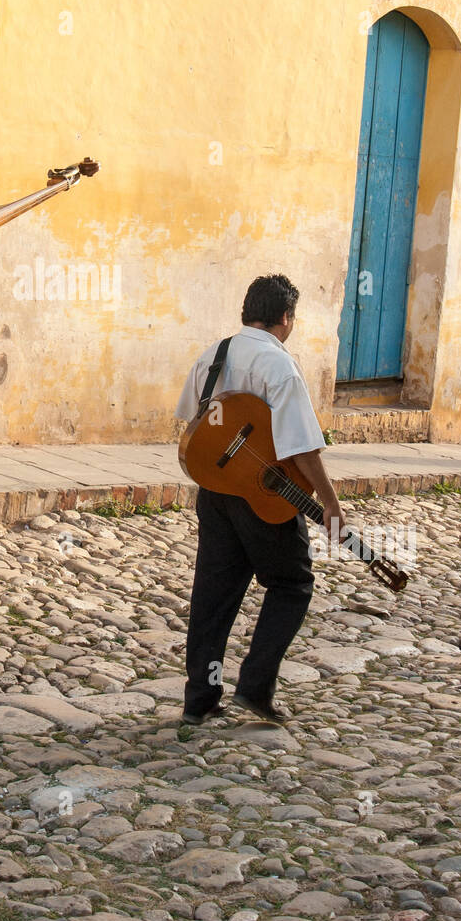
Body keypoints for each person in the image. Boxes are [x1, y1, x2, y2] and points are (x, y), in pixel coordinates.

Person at [175, 273, 345, 725]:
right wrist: (329, 502)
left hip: (217, 493)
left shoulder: (213, 355)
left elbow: (193, 425)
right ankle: (254, 688)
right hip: (262, 500)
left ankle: (201, 699)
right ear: (286, 319)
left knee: (215, 593)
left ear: (245, 313)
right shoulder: (279, 366)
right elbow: (302, 446)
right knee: (292, 584)